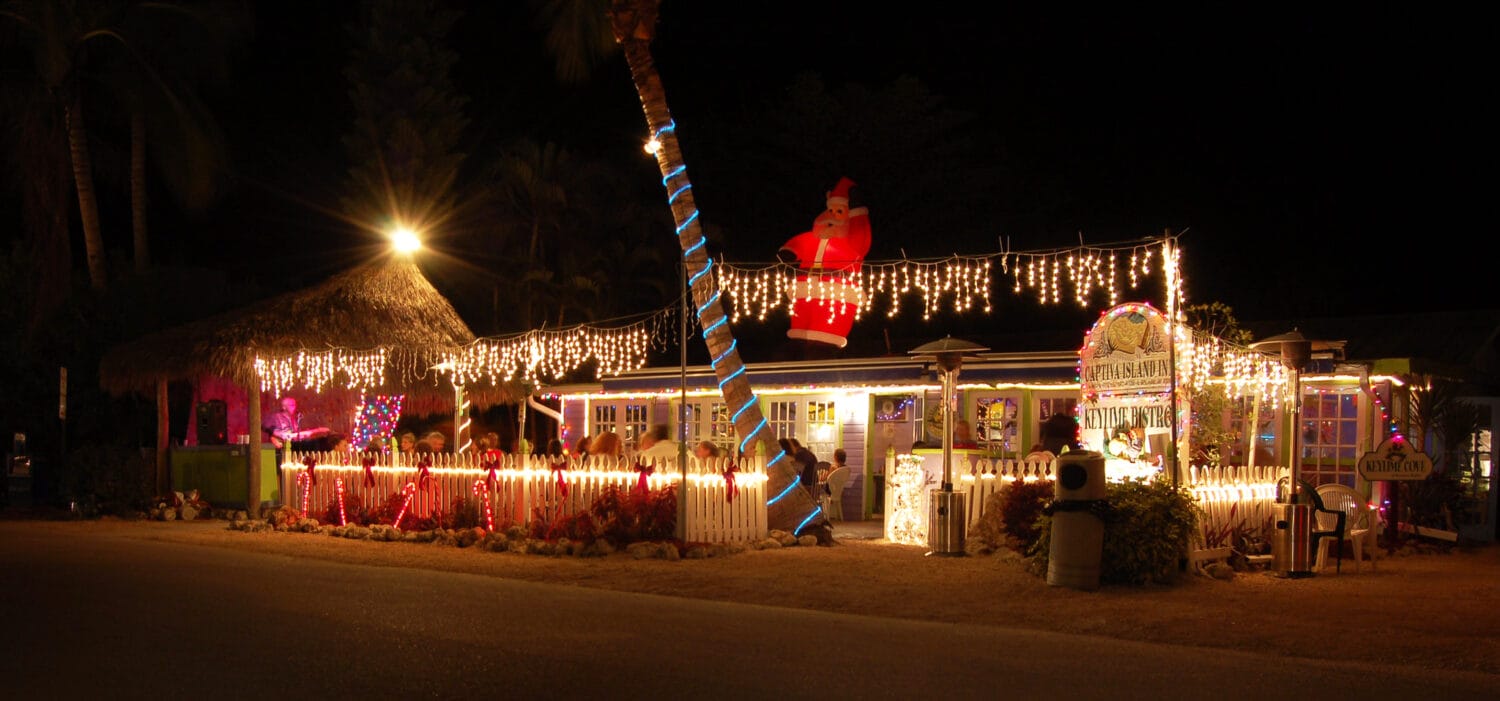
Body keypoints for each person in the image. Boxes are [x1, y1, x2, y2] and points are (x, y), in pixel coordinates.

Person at [262, 396, 329, 453]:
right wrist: (273, 436)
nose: (294, 407)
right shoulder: (276, 417)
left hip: (292, 448)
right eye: (291, 405)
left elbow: (295, 435)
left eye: (295, 405)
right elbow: (265, 426)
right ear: (284, 407)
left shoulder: (295, 419)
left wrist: (317, 431)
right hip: (279, 450)